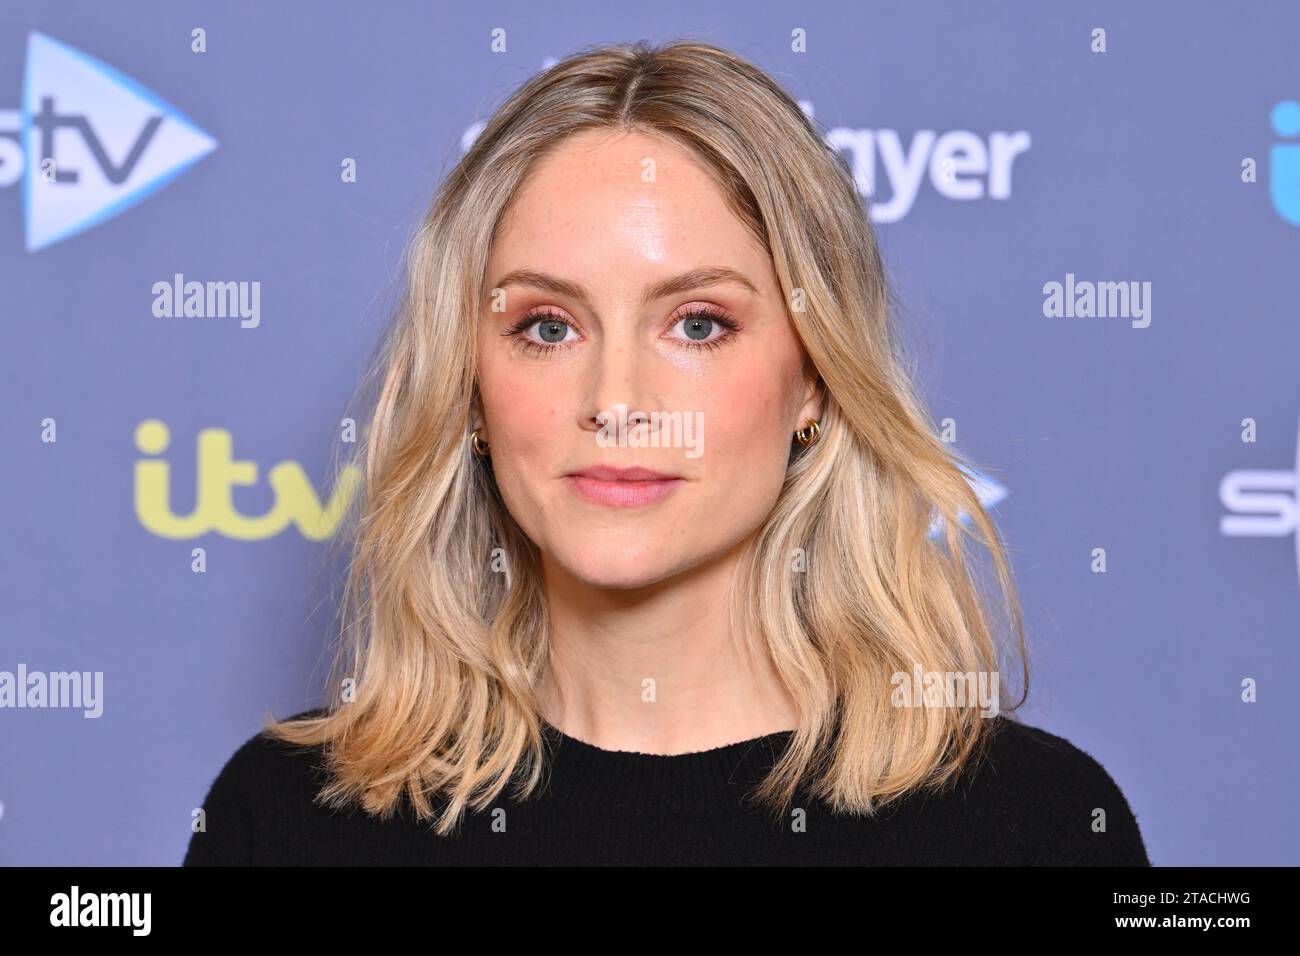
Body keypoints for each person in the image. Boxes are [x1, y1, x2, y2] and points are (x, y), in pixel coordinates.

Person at [184, 39, 1149, 866]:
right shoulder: (288, 822)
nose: (616, 403)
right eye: (548, 327)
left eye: (697, 323)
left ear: (812, 378)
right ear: (470, 386)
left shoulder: (1035, 830)